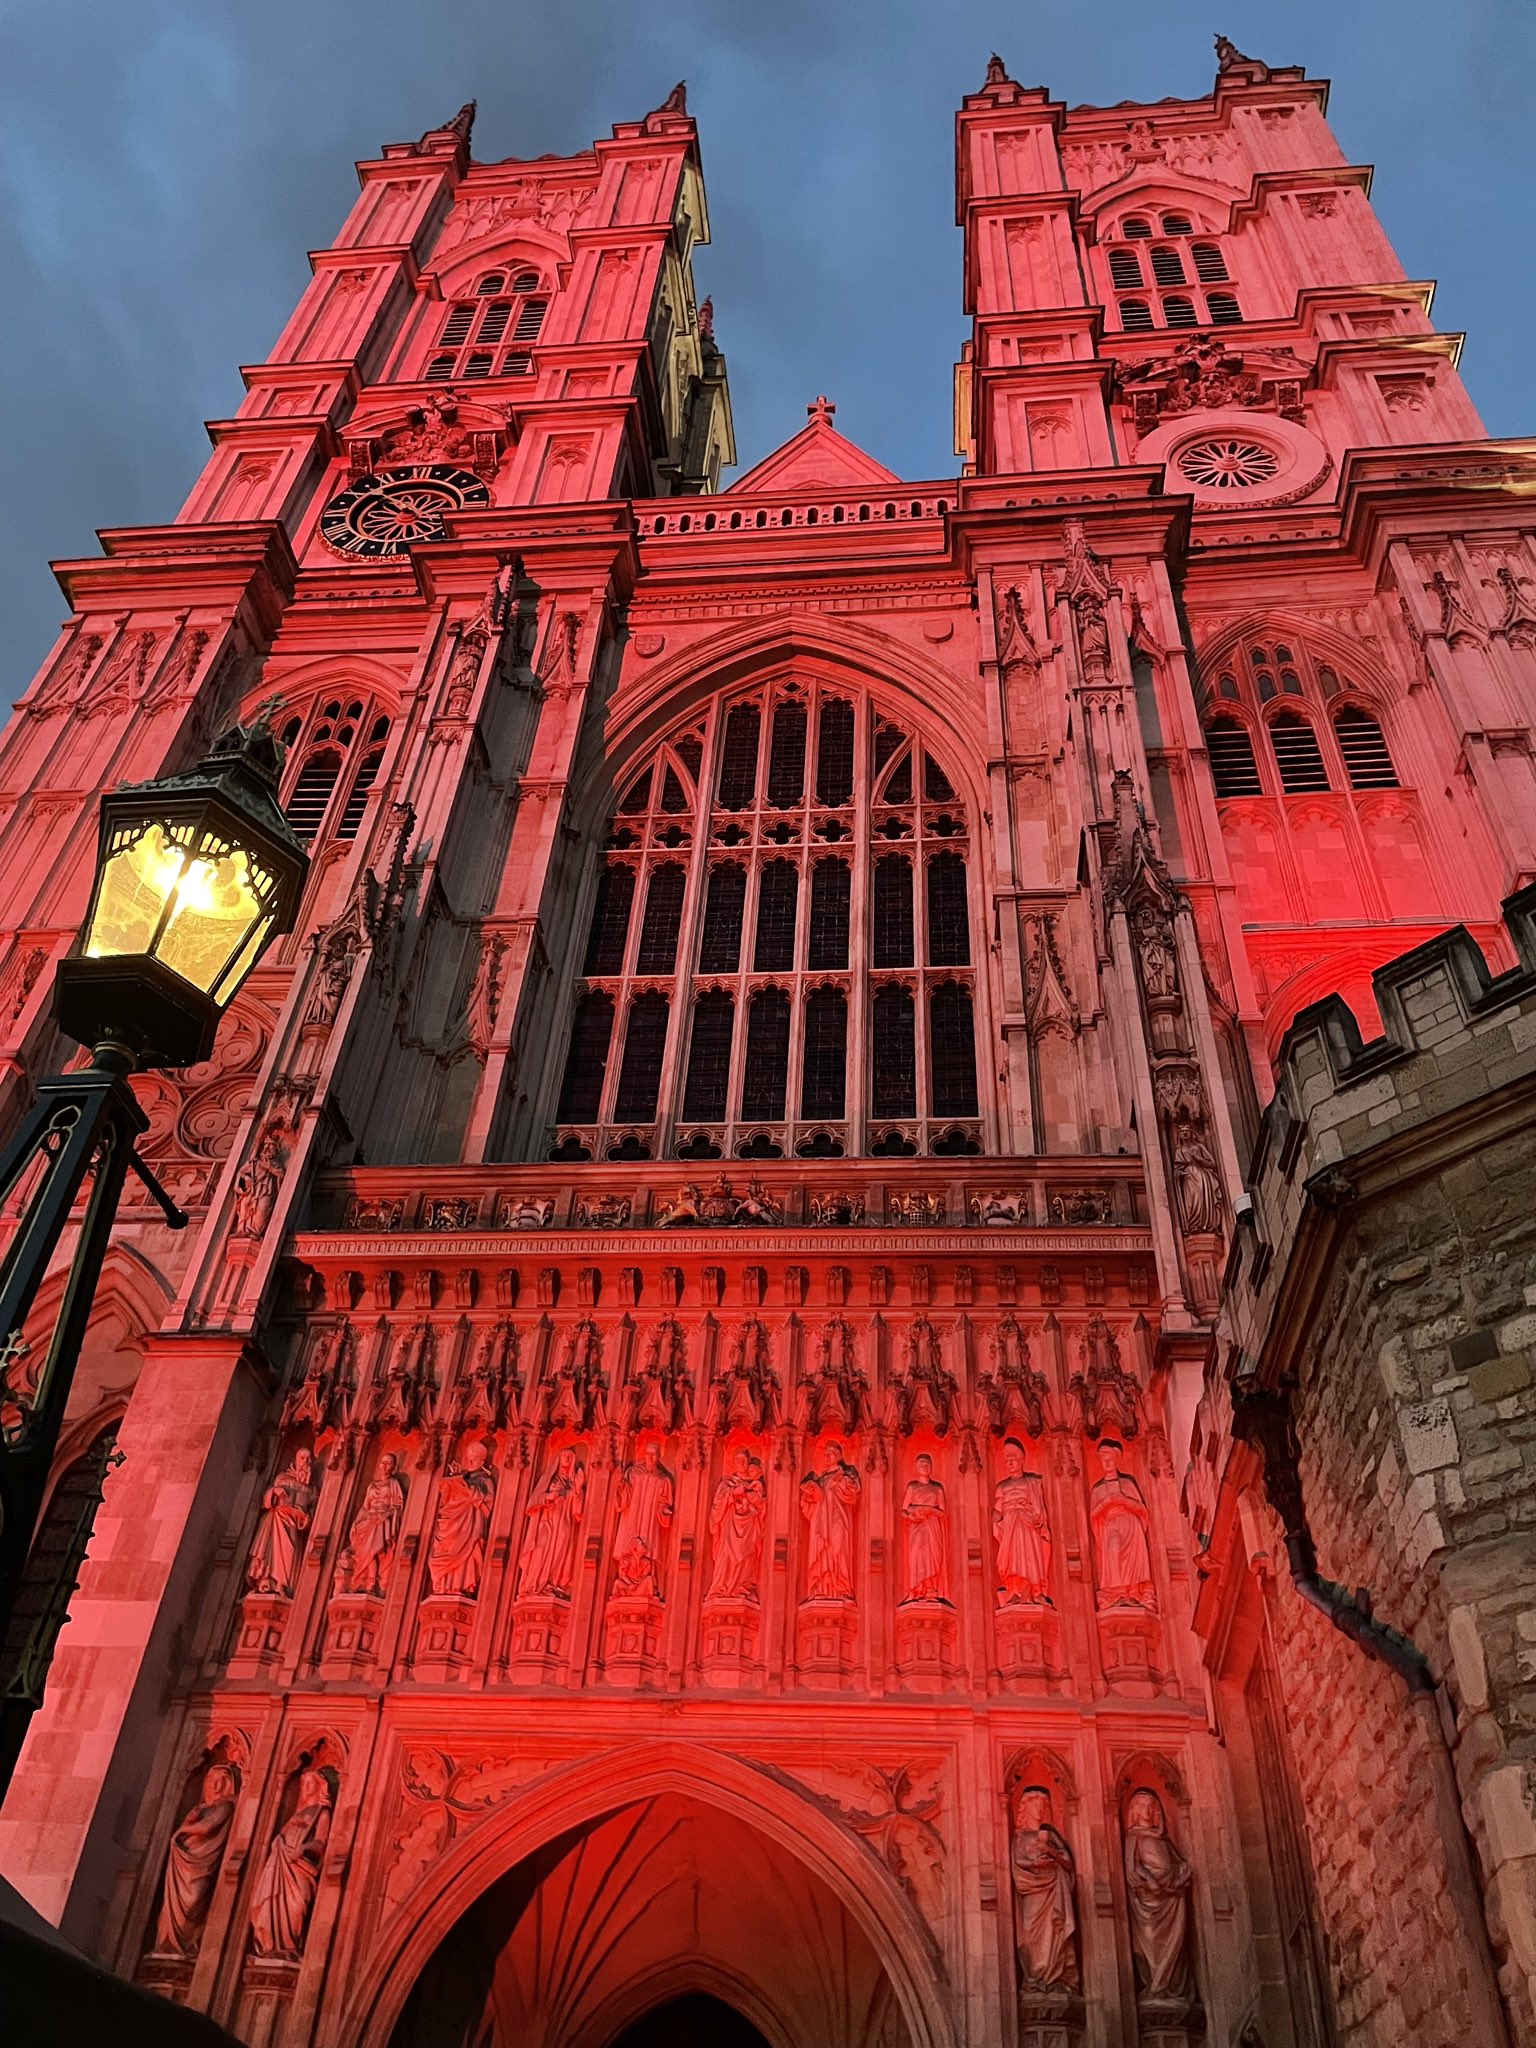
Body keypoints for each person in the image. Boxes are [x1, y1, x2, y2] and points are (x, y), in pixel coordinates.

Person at [151, 1764, 238, 1956]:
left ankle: (186, 1945)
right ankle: (168, 1946)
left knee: (193, 1900)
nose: (216, 1785)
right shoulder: (200, 1807)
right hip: (183, 1861)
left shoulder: (225, 1806)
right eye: (212, 1780)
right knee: (172, 1906)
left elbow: (208, 1827)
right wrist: (189, 1822)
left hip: (203, 1864)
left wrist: (183, 1830)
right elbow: (191, 1828)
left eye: (221, 1781)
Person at [248, 1769, 333, 1959]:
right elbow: (282, 1834)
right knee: (271, 1903)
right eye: (305, 1783)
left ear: (320, 1787)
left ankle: (289, 1944)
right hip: (282, 1861)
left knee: (298, 1903)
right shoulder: (299, 1812)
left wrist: (302, 1850)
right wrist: (278, 1843)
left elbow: (321, 1842)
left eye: (311, 1783)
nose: (306, 1787)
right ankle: (271, 1946)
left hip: (300, 1866)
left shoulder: (322, 1811)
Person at [1123, 1790, 1195, 2000]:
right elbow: (1132, 1868)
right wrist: (1152, 1881)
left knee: (1175, 1945)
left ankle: (1171, 1987)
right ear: (1134, 1811)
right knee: (1151, 1941)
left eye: (1150, 1805)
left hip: (1171, 1899)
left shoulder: (1162, 1840)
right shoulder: (1134, 1839)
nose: (1146, 1810)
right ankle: (1156, 1986)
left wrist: (1179, 1875)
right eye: (1141, 1806)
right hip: (1149, 1901)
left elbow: (1179, 1863)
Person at [1011, 1785, 1078, 1990]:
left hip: (1053, 1888)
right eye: (1035, 1805)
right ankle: (1035, 1975)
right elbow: (1017, 1863)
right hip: (1032, 1889)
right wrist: (1036, 1865)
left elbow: (1067, 1861)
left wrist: (1050, 1851)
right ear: (1025, 1808)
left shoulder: (1051, 1835)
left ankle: (1053, 1976)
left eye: (1043, 1806)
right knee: (1031, 1932)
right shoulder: (1020, 1837)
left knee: (1054, 1929)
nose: (1039, 1810)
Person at [1089, 1438, 1156, 1610]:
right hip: (1110, 1524)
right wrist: (1107, 1503)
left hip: (1130, 1524)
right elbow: (1094, 1516)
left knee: (1134, 1560)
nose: (1107, 1463)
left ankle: (1136, 1593)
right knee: (1112, 1549)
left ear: (1117, 1459)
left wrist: (1123, 1501)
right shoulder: (1098, 1489)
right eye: (1103, 1460)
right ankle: (1116, 1593)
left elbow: (1141, 1509)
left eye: (1110, 1459)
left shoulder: (1127, 1483)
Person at [425, 1441, 496, 1598]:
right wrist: (455, 1479)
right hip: (453, 1523)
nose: (470, 1462)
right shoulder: (461, 1478)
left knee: (468, 1550)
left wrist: (473, 1495)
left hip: (471, 1525)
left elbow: (490, 1501)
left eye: (474, 1459)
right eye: (468, 1459)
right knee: (445, 1550)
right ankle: (444, 1585)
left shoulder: (485, 1480)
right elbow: (447, 1499)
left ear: (482, 1462)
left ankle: (460, 1585)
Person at [246, 1449, 318, 1598]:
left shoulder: (312, 1489)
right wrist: (275, 1491)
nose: (305, 1461)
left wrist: (306, 1520)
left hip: (294, 1527)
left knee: (290, 1555)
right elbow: (266, 1503)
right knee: (273, 1552)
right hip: (278, 1519)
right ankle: (267, 1582)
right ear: (296, 1459)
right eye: (302, 1458)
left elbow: (313, 1512)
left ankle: (283, 1586)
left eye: (308, 1459)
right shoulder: (283, 1478)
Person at [516, 1446, 586, 1598]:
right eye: (564, 1455)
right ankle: (537, 1583)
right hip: (547, 1520)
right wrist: (549, 1497)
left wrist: (578, 1489)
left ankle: (554, 1583)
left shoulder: (573, 1482)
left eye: (570, 1456)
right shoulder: (551, 1479)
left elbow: (577, 1511)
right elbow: (534, 1501)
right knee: (542, 1549)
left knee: (562, 1544)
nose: (567, 1458)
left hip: (564, 1520)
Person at [611, 1439, 675, 1599]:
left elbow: (664, 1501)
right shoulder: (633, 1473)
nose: (650, 1457)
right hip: (632, 1516)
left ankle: (648, 1584)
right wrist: (620, 1485)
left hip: (650, 1519)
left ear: (658, 1456)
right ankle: (625, 1581)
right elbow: (624, 1496)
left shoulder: (663, 1479)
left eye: (653, 1454)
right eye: (648, 1454)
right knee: (630, 1544)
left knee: (649, 1546)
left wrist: (664, 1510)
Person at [994, 1438, 1053, 1605]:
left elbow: (1039, 1507)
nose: (1010, 1463)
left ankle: (1035, 1590)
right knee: (1012, 1558)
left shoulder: (1032, 1482)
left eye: (1013, 1459)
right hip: (1010, 1524)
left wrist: (1034, 1515)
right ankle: (1015, 1590)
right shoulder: (1002, 1486)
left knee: (1031, 1555)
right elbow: (997, 1512)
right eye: (1007, 1460)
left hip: (1028, 1524)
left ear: (1021, 1460)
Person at [801, 1439, 861, 1601]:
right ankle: (820, 1587)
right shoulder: (820, 1479)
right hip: (820, 1522)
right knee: (821, 1551)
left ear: (839, 1456)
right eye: (825, 1454)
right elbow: (809, 1508)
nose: (827, 1457)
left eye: (831, 1453)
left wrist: (840, 1482)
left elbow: (853, 1494)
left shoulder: (846, 1475)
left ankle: (841, 1587)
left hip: (838, 1519)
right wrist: (809, 1495)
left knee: (839, 1549)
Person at [339, 1453, 405, 1597]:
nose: (385, 1465)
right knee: (364, 1551)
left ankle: (371, 1583)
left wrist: (386, 1514)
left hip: (382, 1520)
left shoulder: (394, 1484)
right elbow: (365, 1507)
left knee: (373, 1551)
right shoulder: (371, 1486)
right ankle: (362, 1582)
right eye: (383, 1462)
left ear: (394, 1467)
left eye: (389, 1463)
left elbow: (398, 1505)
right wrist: (356, 1523)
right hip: (369, 1519)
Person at [707, 1448, 767, 1601]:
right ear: (733, 1463)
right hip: (729, 1526)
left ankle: (743, 1586)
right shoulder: (727, 1483)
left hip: (749, 1526)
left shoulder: (755, 1484)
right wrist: (734, 1492)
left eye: (744, 1460)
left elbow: (761, 1503)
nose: (740, 1463)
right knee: (726, 1555)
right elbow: (717, 1505)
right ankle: (722, 1587)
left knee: (747, 1555)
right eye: (737, 1460)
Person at [901, 1454, 950, 1603]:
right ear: (916, 1468)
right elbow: (904, 1510)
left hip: (933, 1527)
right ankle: (916, 1590)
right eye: (922, 1465)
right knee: (917, 1556)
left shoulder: (937, 1488)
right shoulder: (912, 1487)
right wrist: (911, 1516)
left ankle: (931, 1589)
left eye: (927, 1465)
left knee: (933, 1558)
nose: (925, 1467)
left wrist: (929, 1510)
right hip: (917, 1527)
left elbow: (943, 1512)